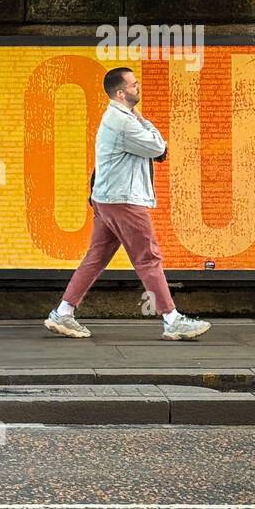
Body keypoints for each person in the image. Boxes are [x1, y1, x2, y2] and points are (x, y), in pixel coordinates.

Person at [44, 66, 211, 341]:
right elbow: (159, 149)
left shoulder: (116, 116)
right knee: (148, 257)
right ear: (121, 93)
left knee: (96, 259)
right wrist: (142, 119)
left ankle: (63, 312)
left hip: (107, 199)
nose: (138, 87)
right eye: (134, 85)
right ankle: (172, 320)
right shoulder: (124, 122)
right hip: (123, 200)